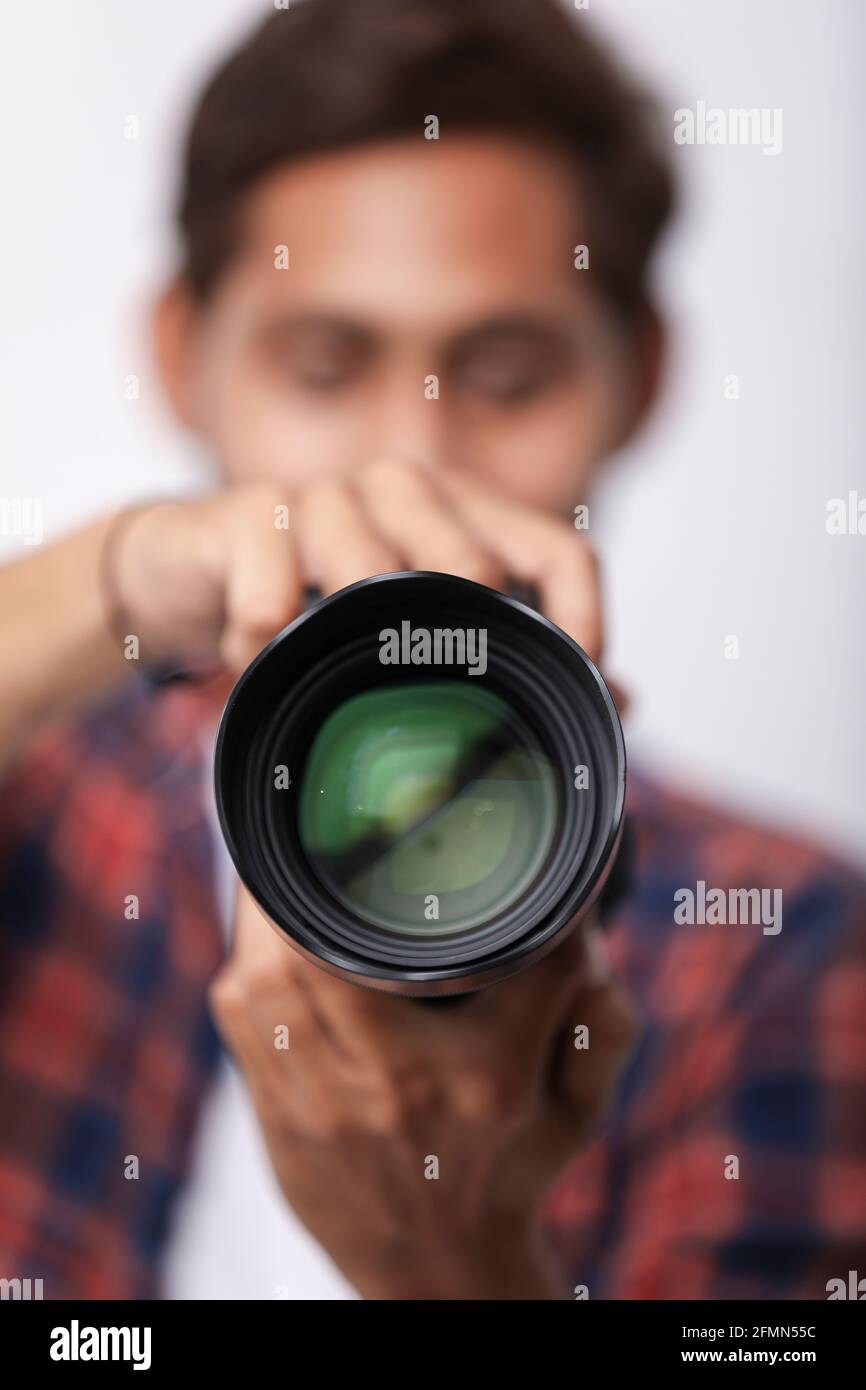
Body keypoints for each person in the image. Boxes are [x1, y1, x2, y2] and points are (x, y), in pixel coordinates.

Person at [0, 0, 863, 1301]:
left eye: (508, 376)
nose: (412, 467)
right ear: (183, 358)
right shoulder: (51, 805)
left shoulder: (778, 943)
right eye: (322, 365)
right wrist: (121, 575)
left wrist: (457, 1265)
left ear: (638, 375)